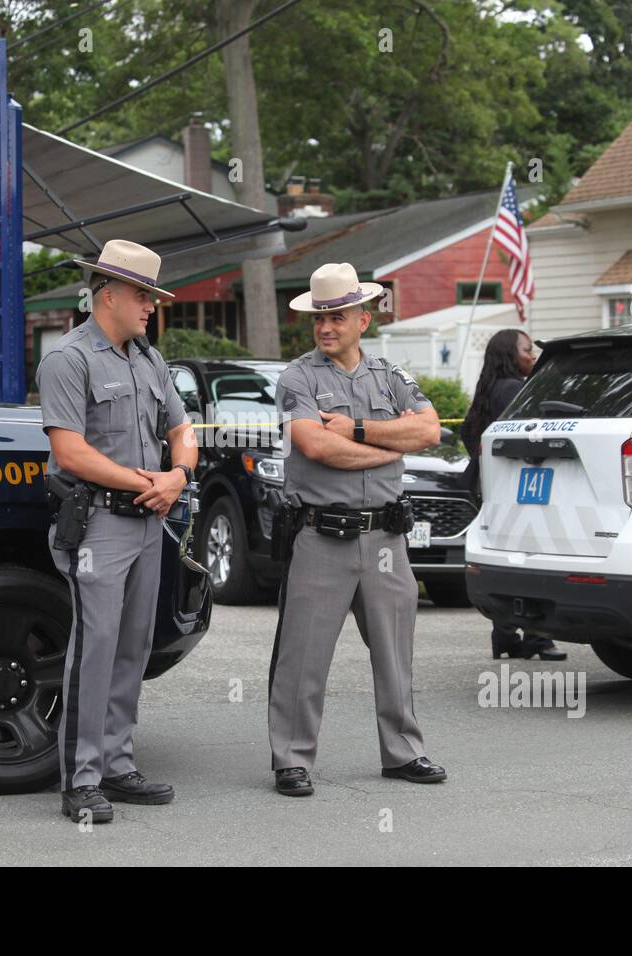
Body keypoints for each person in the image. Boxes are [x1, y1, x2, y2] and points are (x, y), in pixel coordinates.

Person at [268, 261, 446, 797]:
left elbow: (431, 430)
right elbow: (317, 447)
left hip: (387, 538)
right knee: (303, 656)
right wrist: (390, 447)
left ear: (362, 320)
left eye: (338, 316)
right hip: (322, 534)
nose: (326, 327)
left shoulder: (390, 376)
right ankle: (292, 760)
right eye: (319, 318)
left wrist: (362, 430)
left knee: (395, 652)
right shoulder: (298, 377)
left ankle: (403, 752)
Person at [36, 239, 198, 824]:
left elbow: (183, 431)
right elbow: (69, 451)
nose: (151, 306)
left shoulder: (149, 360)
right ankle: (79, 781)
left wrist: (177, 475)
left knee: (133, 647)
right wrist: (144, 481)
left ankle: (117, 765)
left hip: (148, 520)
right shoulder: (68, 359)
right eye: (142, 295)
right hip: (100, 523)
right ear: (108, 295)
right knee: (95, 650)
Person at [460, 327, 566, 661]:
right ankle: (536, 638)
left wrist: (484, 462)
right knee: (534, 557)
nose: (532, 356)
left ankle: (505, 635)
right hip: (520, 487)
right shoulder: (514, 390)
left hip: (492, 487)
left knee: (507, 558)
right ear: (510, 354)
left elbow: (467, 431)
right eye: (525, 350)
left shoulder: (489, 389)